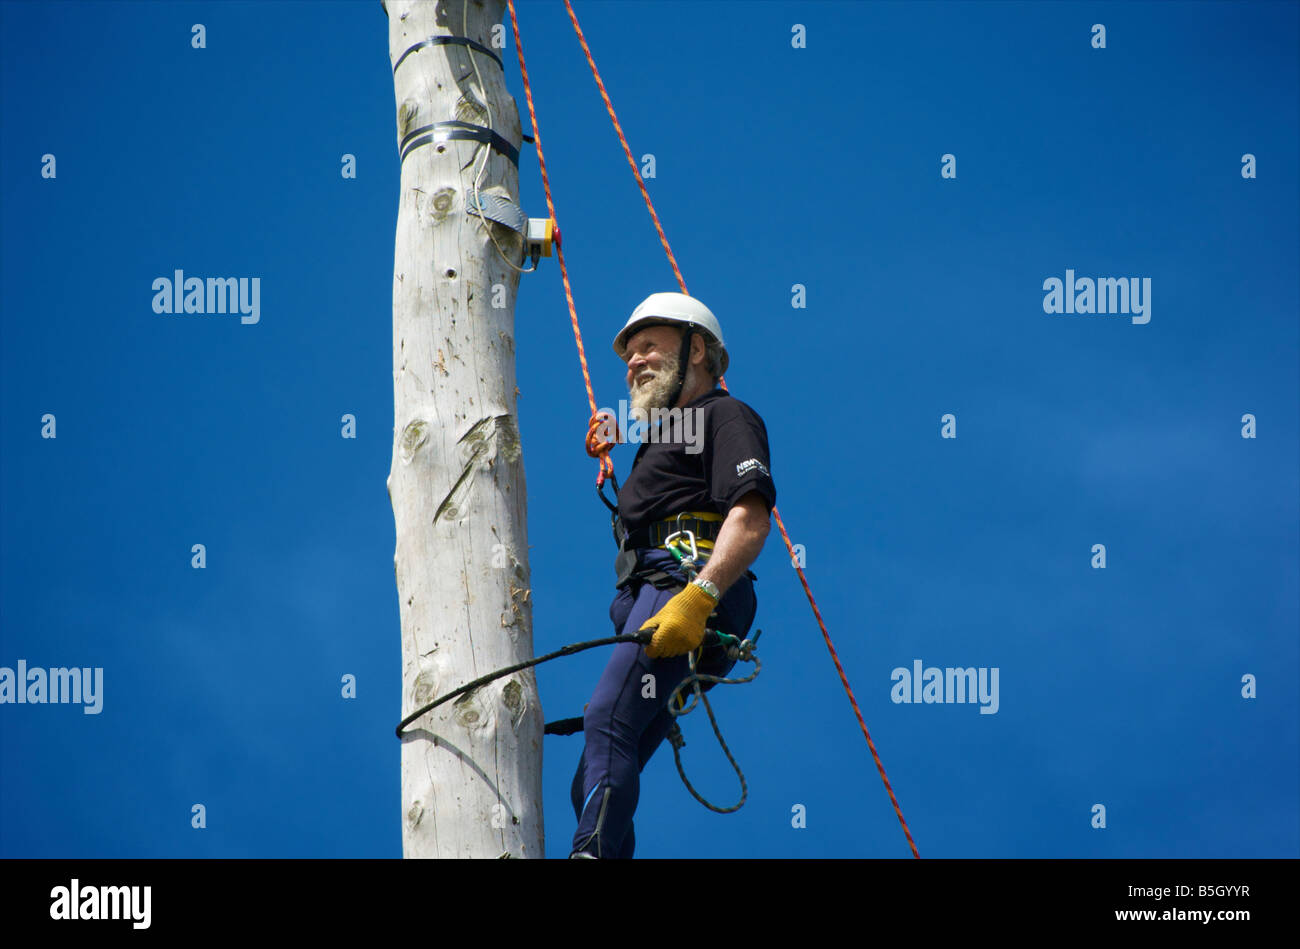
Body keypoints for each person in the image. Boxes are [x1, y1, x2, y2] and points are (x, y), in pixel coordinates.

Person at [569, 292, 776, 859]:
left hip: (684, 588)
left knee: (608, 719)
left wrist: (700, 596)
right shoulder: (663, 439)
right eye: (629, 353)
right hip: (658, 596)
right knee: (597, 764)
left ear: (699, 350)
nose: (634, 361)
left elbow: (752, 517)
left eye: (649, 347)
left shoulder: (726, 415)